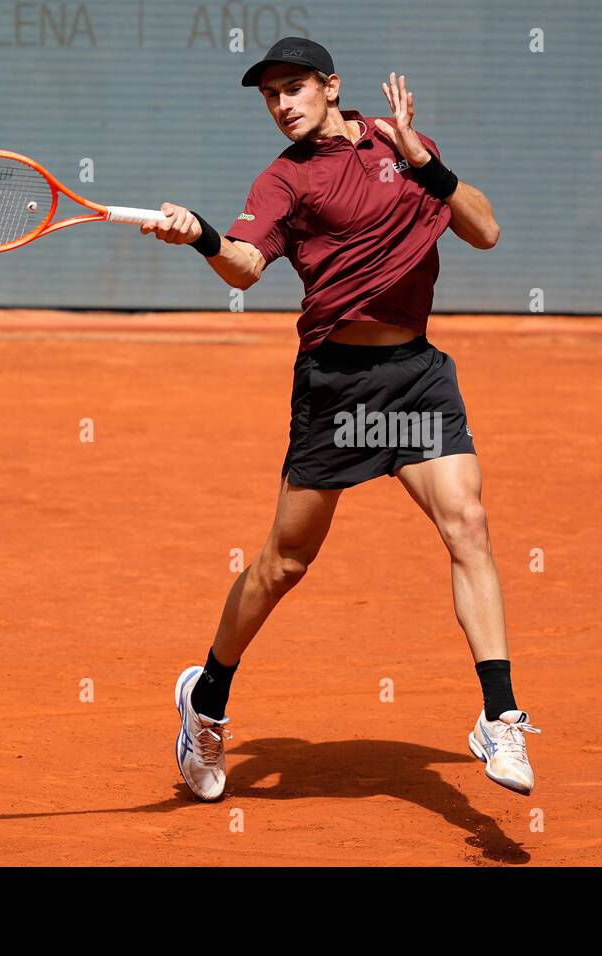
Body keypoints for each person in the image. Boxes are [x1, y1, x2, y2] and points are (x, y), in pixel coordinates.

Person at [143, 37, 539, 801]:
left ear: (333, 87)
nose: (282, 104)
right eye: (270, 95)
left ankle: (501, 717)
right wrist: (199, 237)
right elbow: (245, 265)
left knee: (468, 524)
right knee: (285, 564)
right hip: (339, 390)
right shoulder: (283, 180)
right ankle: (207, 697)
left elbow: (485, 231)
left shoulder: (402, 146)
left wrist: (428, 162)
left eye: (294, 87)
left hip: (416, 377)